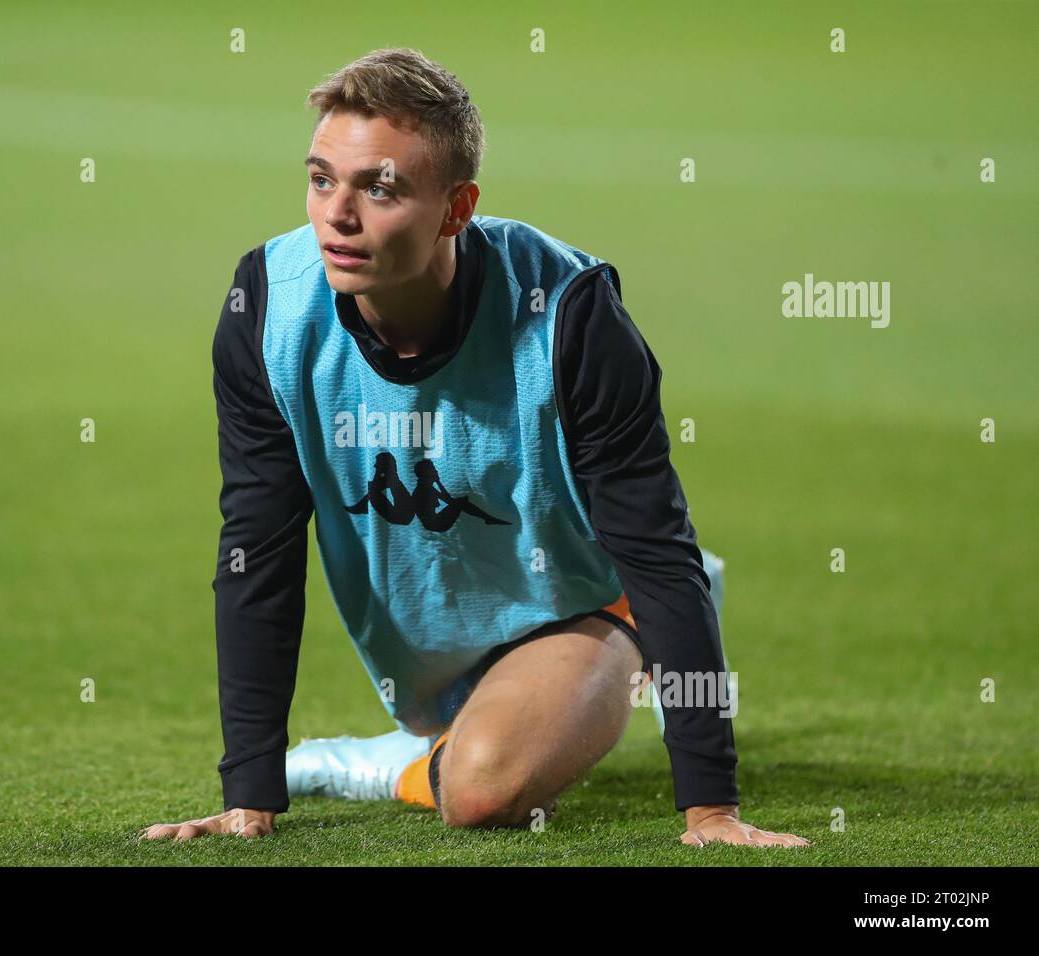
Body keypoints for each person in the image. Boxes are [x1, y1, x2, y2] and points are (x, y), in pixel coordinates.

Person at [140, 48, 808, 849]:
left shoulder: (570, 315)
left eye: (379, 188)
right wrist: (251, 796)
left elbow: (660, 549)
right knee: (477, 761)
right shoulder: (269, 311)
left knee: (484, 791)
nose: (337, 216)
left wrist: (712, 810)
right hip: (438, 646)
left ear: (457, 210)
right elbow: (257, 549)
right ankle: (441, 736)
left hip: (585, 599)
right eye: (322, 179)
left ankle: (411, 761)